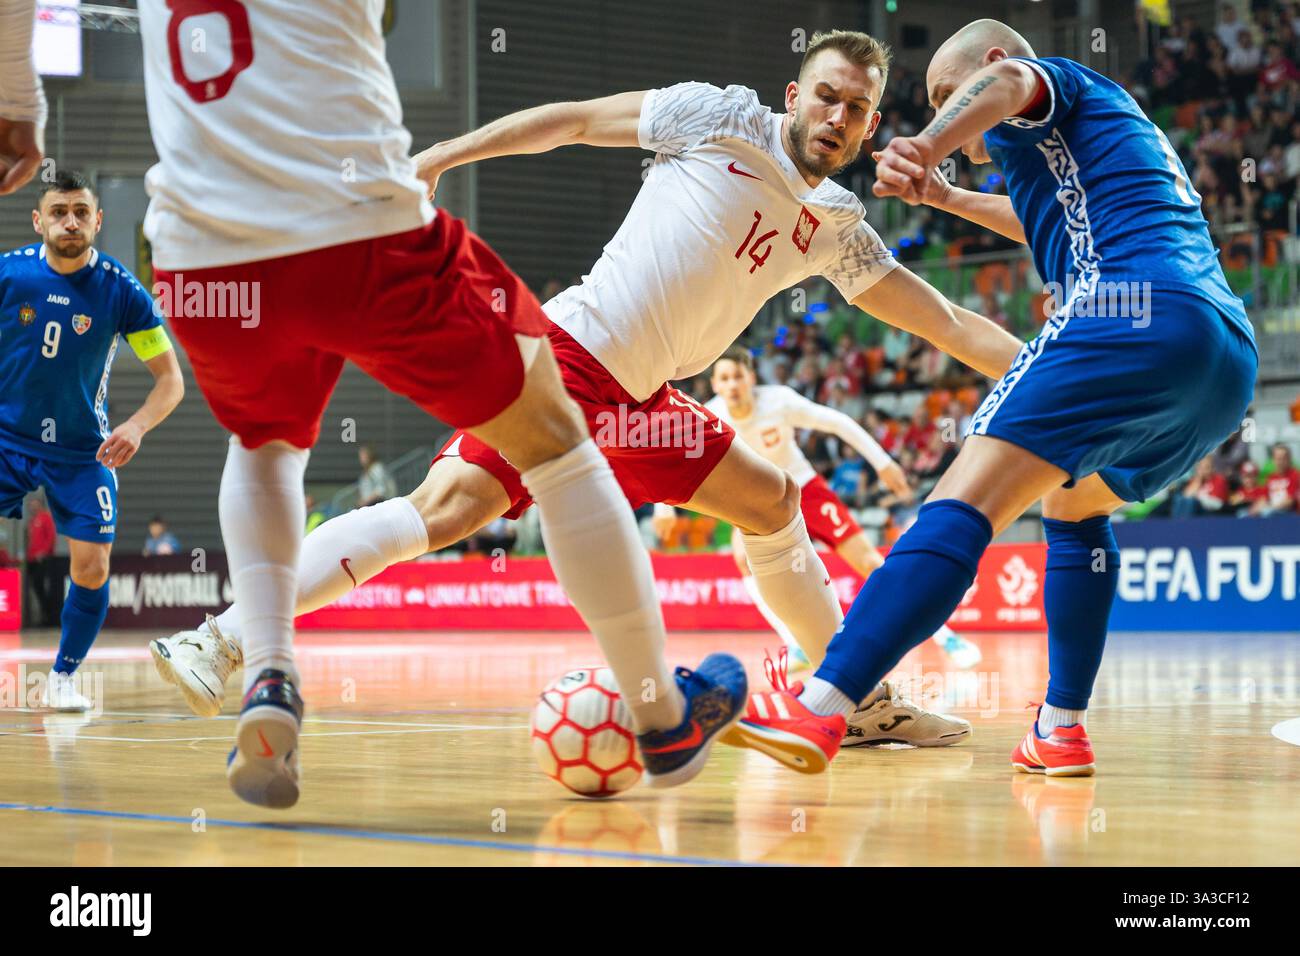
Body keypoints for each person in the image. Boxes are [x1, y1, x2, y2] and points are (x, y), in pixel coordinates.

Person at [151, 29, 1022, 752]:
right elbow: (571, 122)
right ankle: (222, 640)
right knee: (443, 509)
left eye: (859, 109)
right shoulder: (717, 117)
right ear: (794, 97)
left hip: (646, 401)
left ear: (871, 128)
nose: (840, 116)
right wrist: (451, 151)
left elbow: (945, 322)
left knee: (772, 500)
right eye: (827, 95)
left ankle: (844, 692)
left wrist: (1049, 369)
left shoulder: (839, 227)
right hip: (572, 355)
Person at [124, 0, 746, 806]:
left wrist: (20, 105)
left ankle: (269, 671)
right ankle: (663, 720)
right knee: (559, 448)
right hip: (360, 231)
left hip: (198, 256)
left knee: (265, 442)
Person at [728, 19, 1258, 777]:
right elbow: (1042, 224)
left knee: (962, 502)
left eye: (949, 93)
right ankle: (1060, 728)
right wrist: (945, 195)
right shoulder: (1097, 142)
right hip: (1219, 355)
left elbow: (1006, 85)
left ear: (996, 64)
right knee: (1074, 508)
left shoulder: (1041, 83)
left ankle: (822, 708)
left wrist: (928, 142)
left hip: (1123, 313)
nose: (946, 108)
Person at [658, 347, 983, 695]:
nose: (733, 384)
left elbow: (837, 422)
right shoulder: (711, 415)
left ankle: (947, 638)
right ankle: (794, 644)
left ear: (751, 378)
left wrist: (882, 462)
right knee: (742, 558)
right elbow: (678, 458)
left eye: (738, 376)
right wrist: (664, 508)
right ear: (716, 385)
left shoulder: (778, 401)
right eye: (725, 378)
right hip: (759, 502)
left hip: (803, 488)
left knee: (871, 563)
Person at [0, 170, 185, 709]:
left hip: (83, 450)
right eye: (59, 211)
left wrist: (135, 425)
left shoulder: (122, 291)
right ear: (39, 220)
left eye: (81, 211)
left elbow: (171, 380)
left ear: (98, 221)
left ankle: (61, 679)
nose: (70, 221)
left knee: (92, 566)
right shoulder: (9, 276)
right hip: (7, 436)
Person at [24, 494, 56, 626]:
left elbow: (51, 537)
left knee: (40, 585)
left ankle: (48, 616)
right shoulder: (31, 521)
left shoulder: (46, 517)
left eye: (34, 503)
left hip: (42, 559)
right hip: (31, 559)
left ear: (40, 504)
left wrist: (44, 552)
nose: (32, 506)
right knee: (34, 587)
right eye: (30, 504)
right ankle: (41, 616)